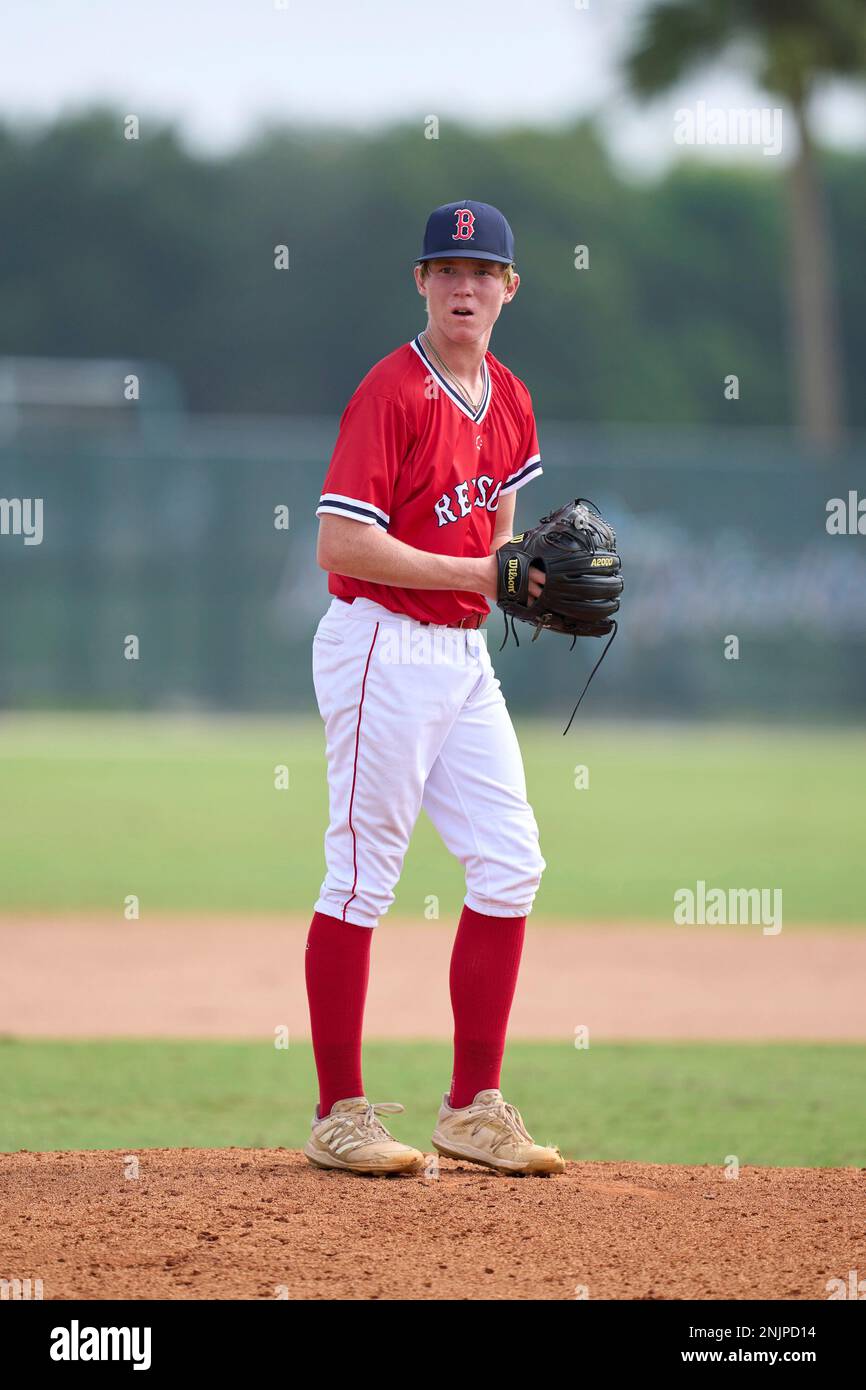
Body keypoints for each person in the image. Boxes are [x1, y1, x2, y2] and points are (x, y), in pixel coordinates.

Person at [304, 199, 565, 1177]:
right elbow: (339, 540)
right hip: (380, 643)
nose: (463, 286)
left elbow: (497, 532)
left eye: (480, 271)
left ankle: (471, 1108)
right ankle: (337, 1112)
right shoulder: (392, 392)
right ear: (420, 282)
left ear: (507, 288)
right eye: (444, 269)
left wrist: (520, 579)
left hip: (460, 656)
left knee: (509, 863)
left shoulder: (510, 397)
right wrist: (479, 577)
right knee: (362, 876)